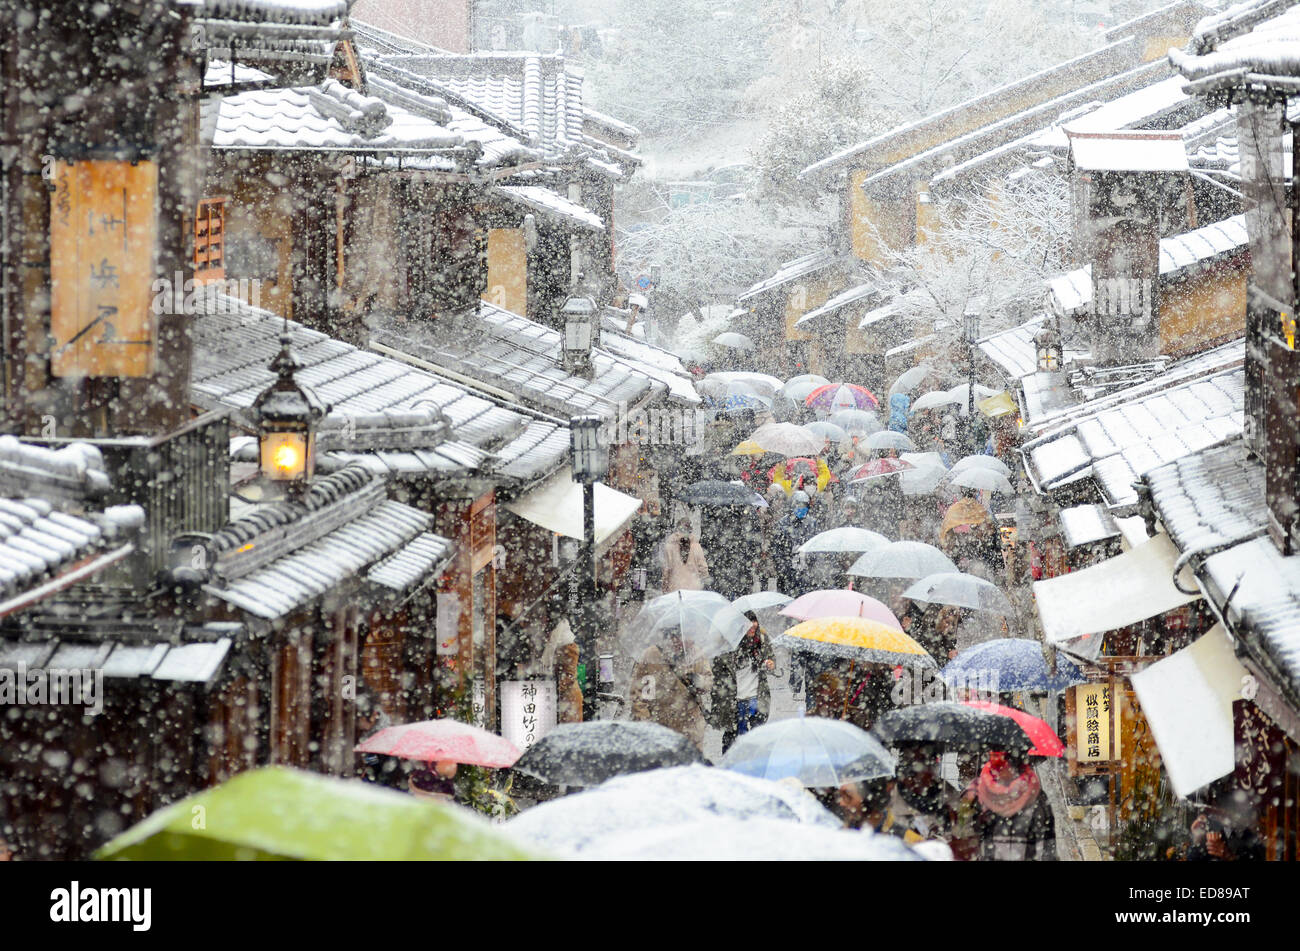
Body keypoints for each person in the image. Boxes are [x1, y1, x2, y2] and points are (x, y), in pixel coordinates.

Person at [963, 750, 1057, 861]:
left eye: (1001, 758)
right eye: (994, 757)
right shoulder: (978, 793)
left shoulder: (979, 792)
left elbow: (1048, 843)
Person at [629, 631, 713, 752]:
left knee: (690, 766)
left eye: (685, 637)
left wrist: (698, 680)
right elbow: (638, 693)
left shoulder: (696, 653)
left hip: (691, 726)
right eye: (677, 638)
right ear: (669, 637)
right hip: (661, 725)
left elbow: (708, 681)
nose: (682, 642)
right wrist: (645, 722)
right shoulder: (651, 655)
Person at [710, 612, 776, 753]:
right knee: (733, 742)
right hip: (736, 701)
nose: (753, 625)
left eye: (754, 622)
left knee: (756, 740)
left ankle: (753, 767)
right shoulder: (728, 647)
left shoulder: (761, 641)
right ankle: (731, 767)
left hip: (756, 698)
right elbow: (718, 672)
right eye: (749, 623)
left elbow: (769, 660)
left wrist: (770, 664)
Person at [660, 518, 709, 593]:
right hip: (693, 589)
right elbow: (703, 569)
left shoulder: (669, 547)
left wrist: (664, 587)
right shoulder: (696, 546)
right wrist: (702, 581)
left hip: (675, 588)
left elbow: (666, 571)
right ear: (690, 530)